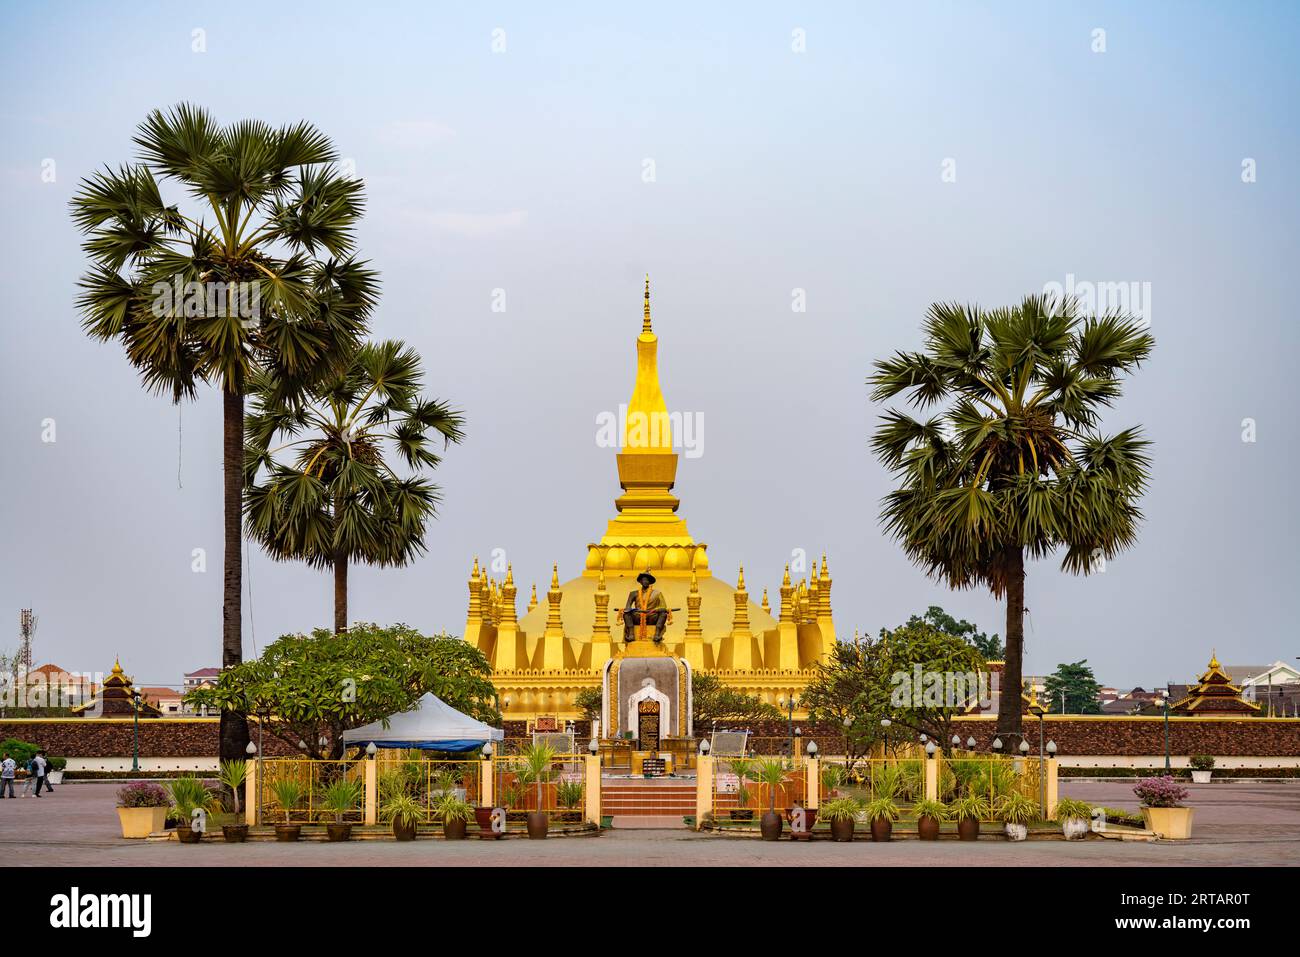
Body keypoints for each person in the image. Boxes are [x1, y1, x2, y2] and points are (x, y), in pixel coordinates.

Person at [617, 570, 673, 643]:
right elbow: (628, 607)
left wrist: (654, 610)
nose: (645, 581)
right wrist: (630, 610)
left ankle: (657, 634)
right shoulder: (633, 593)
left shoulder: (657, 593)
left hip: (652, 616)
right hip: (638, 616)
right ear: (640, 581)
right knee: (626, 614)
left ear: (650, 582)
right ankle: (631, 633)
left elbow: (663, 606)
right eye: (644, 580)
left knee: (663, 614)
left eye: (647, 580)